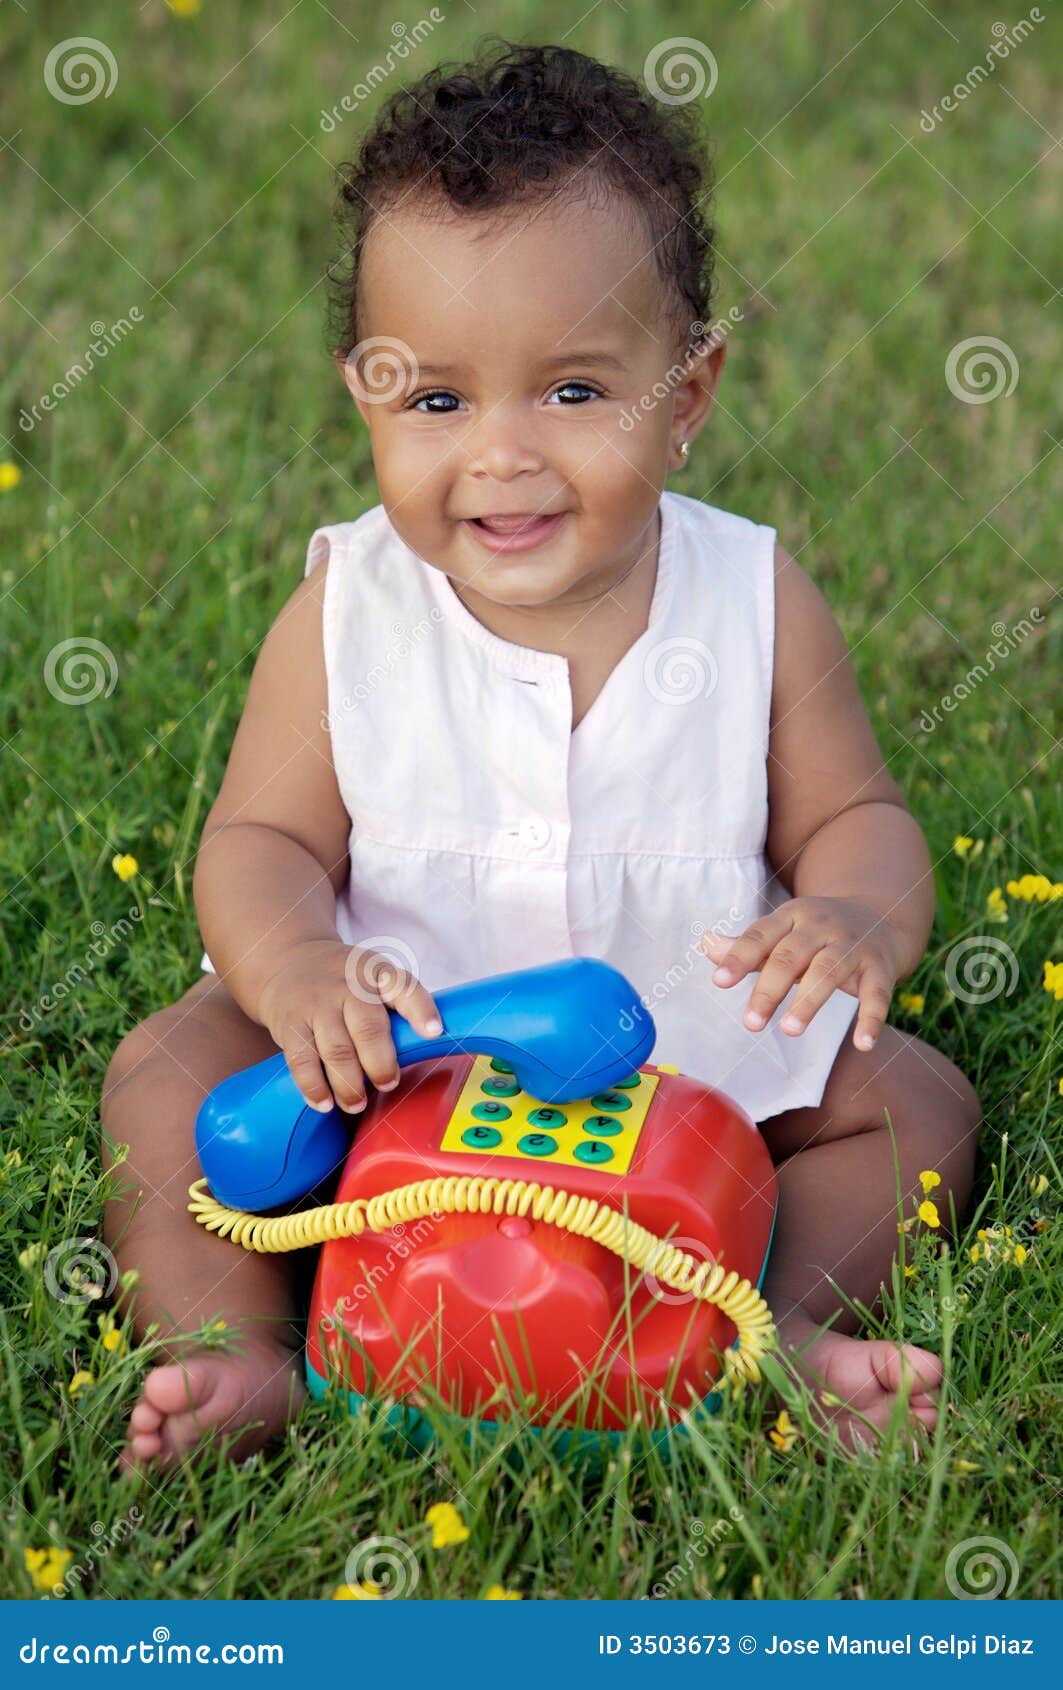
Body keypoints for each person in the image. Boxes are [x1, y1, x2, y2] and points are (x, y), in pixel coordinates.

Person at [102, 40, 980, 1470]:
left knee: (919, 1105)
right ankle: (237, 1350)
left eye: (573, 392)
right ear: (366, 396)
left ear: (685, 395)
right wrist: (299, 970)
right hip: (393, 1051)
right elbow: (263, 841)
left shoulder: (752, 600)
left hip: (678, 1064)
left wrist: (855, 915)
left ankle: (774, 1328)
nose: (502, 456)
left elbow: (855, 813)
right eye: (437, 402)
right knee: (161, 1073)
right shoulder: (347, 611)